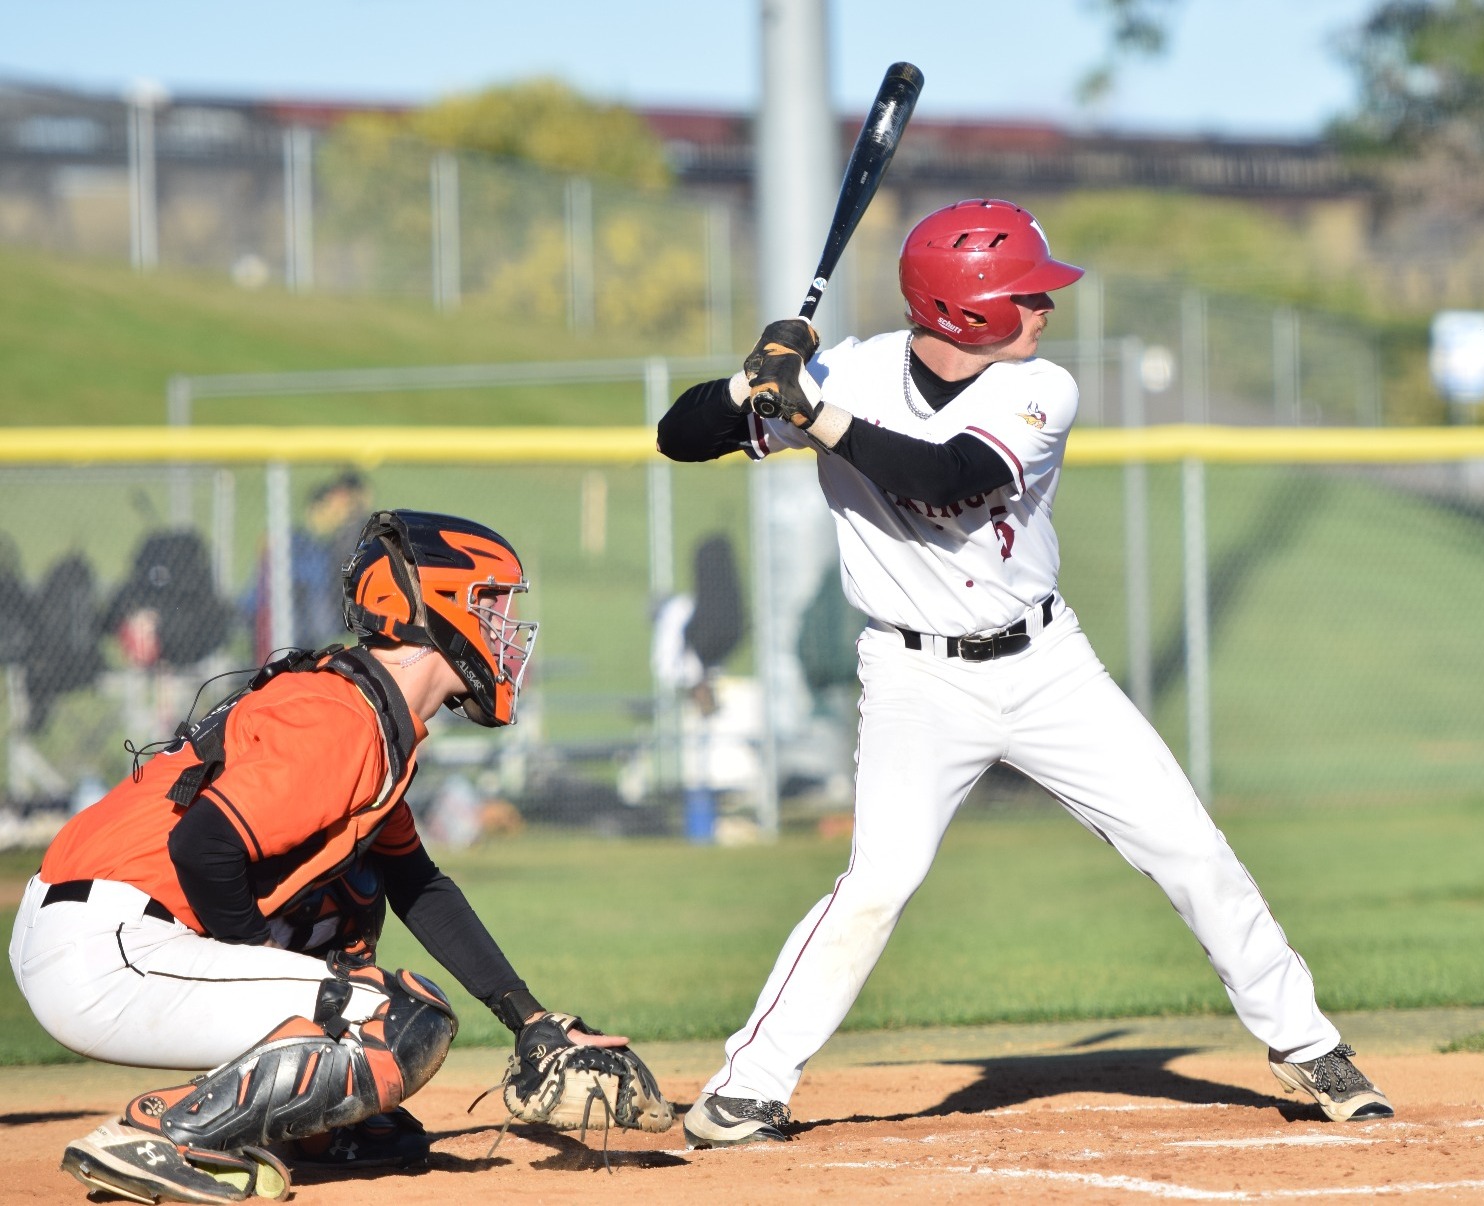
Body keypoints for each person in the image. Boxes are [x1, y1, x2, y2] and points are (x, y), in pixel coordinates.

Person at [656, 198, 1393, 1148]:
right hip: (913, 678)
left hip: (1046, 666)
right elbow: (678, 438)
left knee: (1189, 847)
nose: (1046, 305)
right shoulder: (850, 371)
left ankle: (1307, 1045)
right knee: (878, 881)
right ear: (966, 311)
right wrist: (744, 388)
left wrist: (813, 412)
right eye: (1026, 293)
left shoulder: (1037, 387)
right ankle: (745, 1089)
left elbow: (946, 477)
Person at [11, 509, 668, 1204]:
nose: (505, 628)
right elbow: (202, 846)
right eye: (490, 603)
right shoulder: (343, 717)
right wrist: (266, 975)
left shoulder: (367, 711)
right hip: (108, 945)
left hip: (107, 934)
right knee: (404, 1021)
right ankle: (169, 1132)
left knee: (357, 898)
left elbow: (417, 882)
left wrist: (529, 1019)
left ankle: (293, 1126)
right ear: (431, 605)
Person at [240, 470, 372, 660]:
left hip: (323, 616)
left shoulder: (345, 537)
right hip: (306, 615)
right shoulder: (302, 540)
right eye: (326, 508)